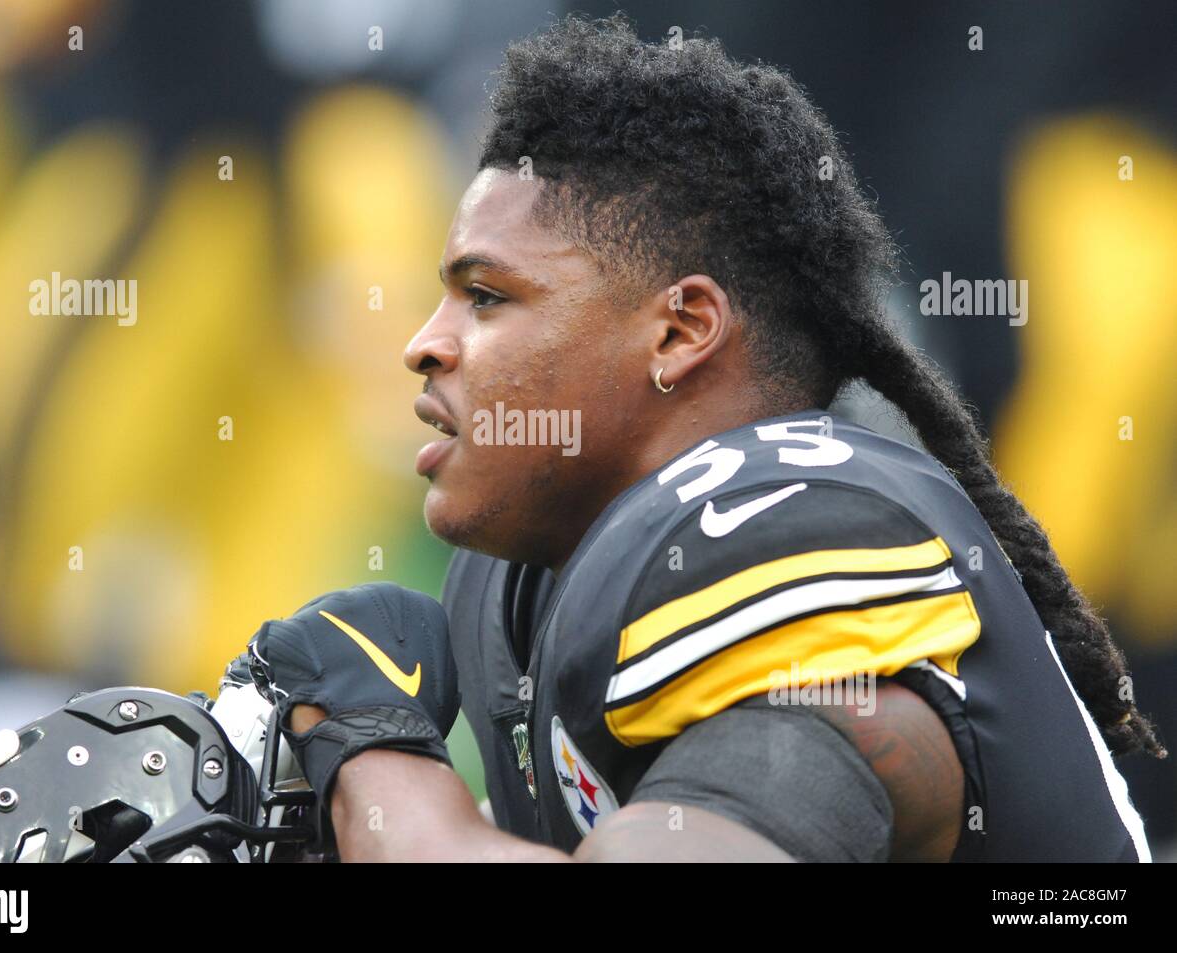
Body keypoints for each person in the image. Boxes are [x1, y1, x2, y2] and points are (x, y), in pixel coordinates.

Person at [247, 14, 1161, 862]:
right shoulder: (524, 584)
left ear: (680, 331)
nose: (424, 343)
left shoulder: (781, 548)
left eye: (487, 297)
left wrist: (375, 751)